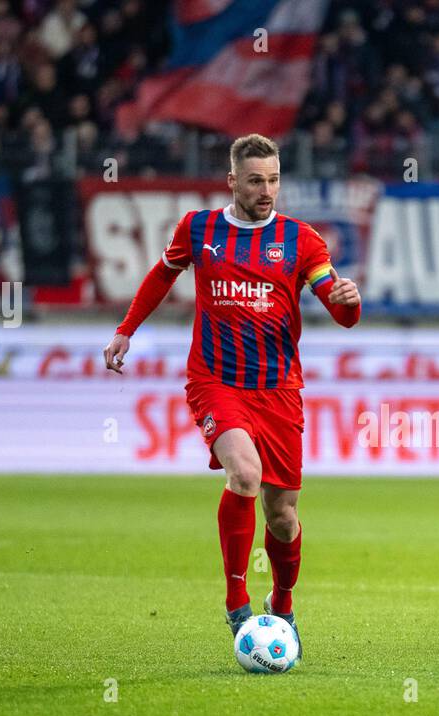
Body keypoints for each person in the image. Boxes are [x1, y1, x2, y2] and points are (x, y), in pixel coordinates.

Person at [102, 134, 362, 654]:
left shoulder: (302, 240)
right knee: (244, 473)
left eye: (273, 180)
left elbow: (341, 312)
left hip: (280, 391)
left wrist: (348, 301)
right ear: (232, 182)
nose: (266, 191)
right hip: (215, 382)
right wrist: (126, 330)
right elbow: (161, 275)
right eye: (255, 180)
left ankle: (282, 603)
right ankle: (236, 600)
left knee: (283, 516)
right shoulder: (199, 230)